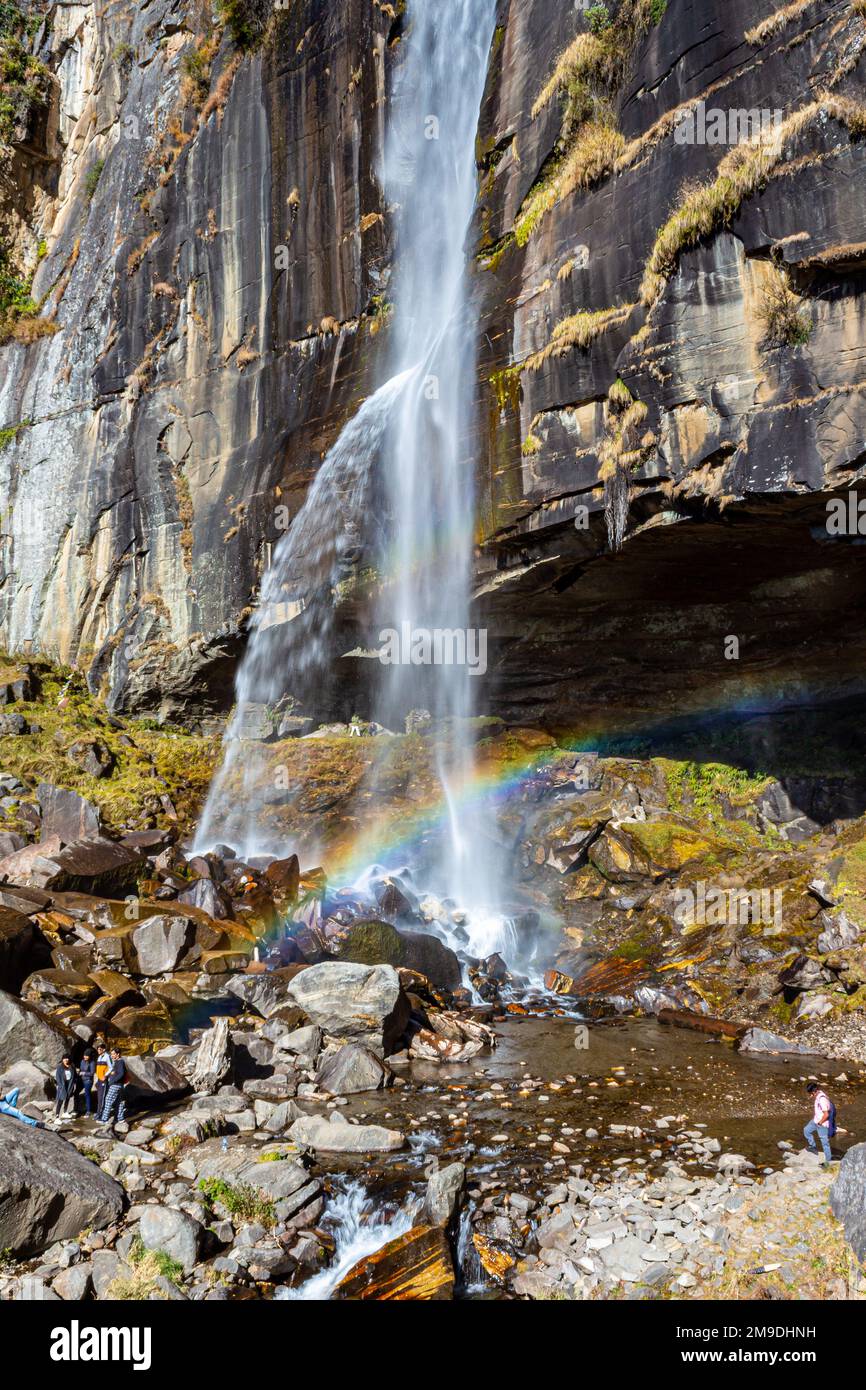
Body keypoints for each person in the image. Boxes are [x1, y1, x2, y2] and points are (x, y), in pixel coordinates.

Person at [804, 1081, 836, 1165]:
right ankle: (813, 1146)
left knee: (825, 1143)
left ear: (815, 1091)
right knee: (806, 1130)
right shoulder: (818, 1094)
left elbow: (826, 1114)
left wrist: (820, 1123)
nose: (810, 1095)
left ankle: (828, 1162)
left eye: (811, 1093)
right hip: (815, 1120)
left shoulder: (822, 1099)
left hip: (822, 1124)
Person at [98, 1048, 128, 1134]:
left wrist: (113, 1080)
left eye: (113, 1054)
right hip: (120, 1085)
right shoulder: (118, 1062)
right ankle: (120, 1118)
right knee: (120, 1101)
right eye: (111, 1054)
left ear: (118, 1054)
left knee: (108, 1100)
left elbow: (121, 1073)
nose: (112, 1056)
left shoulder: (120, 1062)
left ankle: (104, 1119)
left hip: (116, 1085)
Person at [54, 1054, 77, 1123]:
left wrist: (74, 1083)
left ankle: (65, 1112)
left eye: (67, 1058)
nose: (66, 1060)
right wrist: (60, 1086)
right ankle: (57, 1117)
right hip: (62, 1085)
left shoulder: (72, 1066)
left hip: (69, 1085)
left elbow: (75, 1075)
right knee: (60, 1100)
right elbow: (57, 1077)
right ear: (62, 1059)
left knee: (68, 1098)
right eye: (64, 1058)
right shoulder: (60, 1067)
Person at [95, 1039, 111, 1119]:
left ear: (104, 1049)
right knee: (99, 1098)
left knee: (102, 1097)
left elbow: (111, 1068)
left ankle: (100, 1114)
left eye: (100, 1049)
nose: (98, 1050)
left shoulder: (107, 1057)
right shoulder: (99, 1057)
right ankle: (98, 1113)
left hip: (104, 1080)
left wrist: (106, 1075)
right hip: (99, 1080)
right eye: (97, 1049)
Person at [79, 1049, 97, 1117]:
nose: (85, 1057)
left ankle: (88, 1111)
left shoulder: (92, 1062)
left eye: (87, 1056)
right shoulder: (82, 1061)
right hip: (82, 1080)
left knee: (87, 1095)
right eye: (84, 1055)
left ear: (90, 1056)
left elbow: (92, 1073)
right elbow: (81, 1069)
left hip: (88, 1081)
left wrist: (84, 1073)